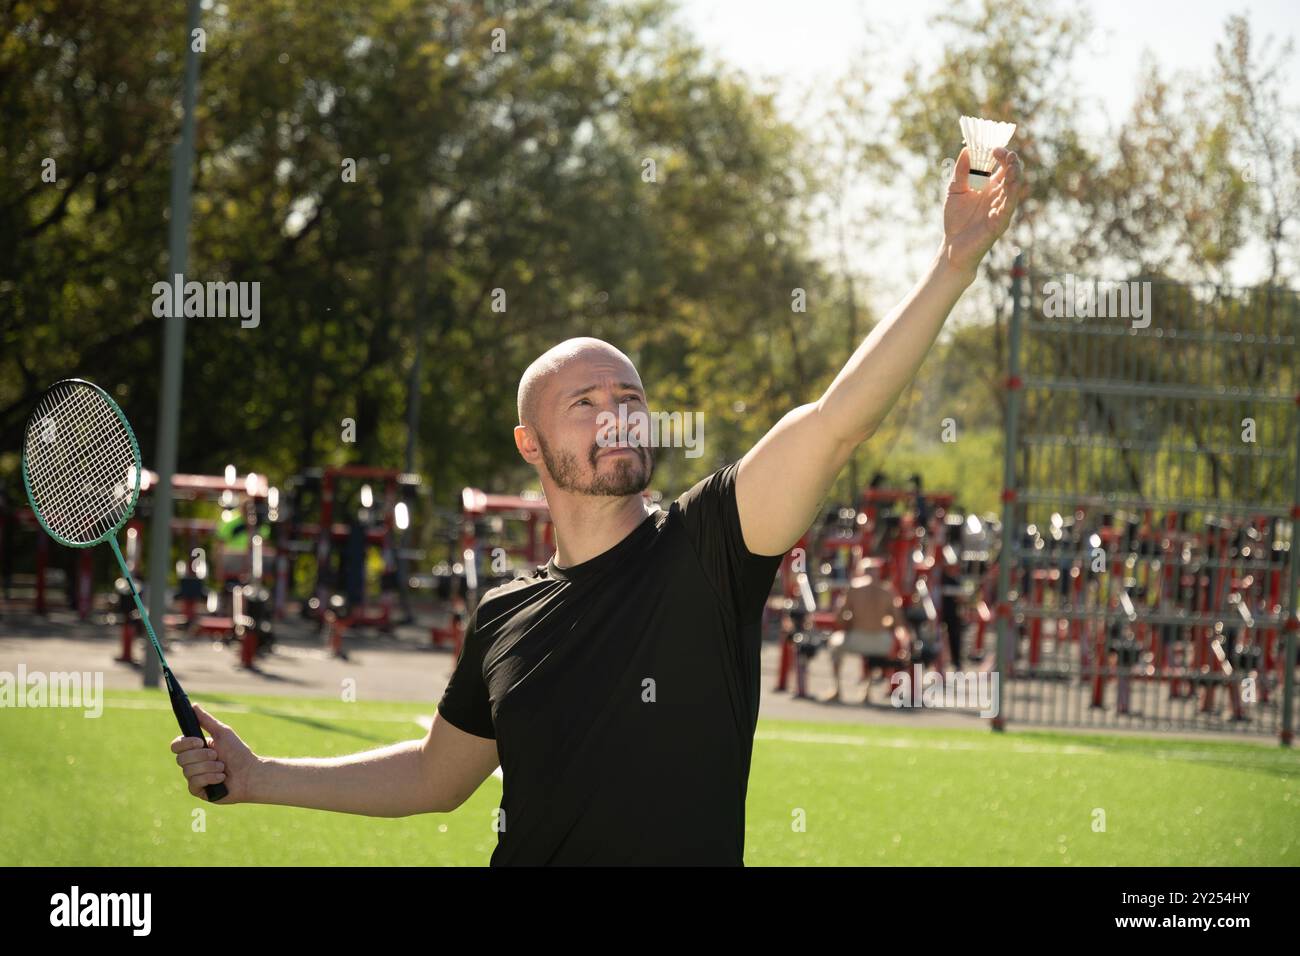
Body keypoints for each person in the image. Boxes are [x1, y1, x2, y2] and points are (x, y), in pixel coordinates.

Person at [171, 146, 1027, 865]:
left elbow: (835, 424)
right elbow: (437, 779)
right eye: (585, 402)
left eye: (629, 395)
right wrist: (259, 775)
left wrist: (953, 263)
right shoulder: (504, 614)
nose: (616, 411)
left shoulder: (709, 548)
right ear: (530, 447)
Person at [820, 561, 911, 704]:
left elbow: (839, 618)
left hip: (856, 638)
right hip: (882, 642)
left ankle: (837, 688)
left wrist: (852, 622)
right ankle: (866, 691)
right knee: (871, 655)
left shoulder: (854, 588)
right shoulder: (887, 591)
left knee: (834, 643)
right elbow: (898, 621)